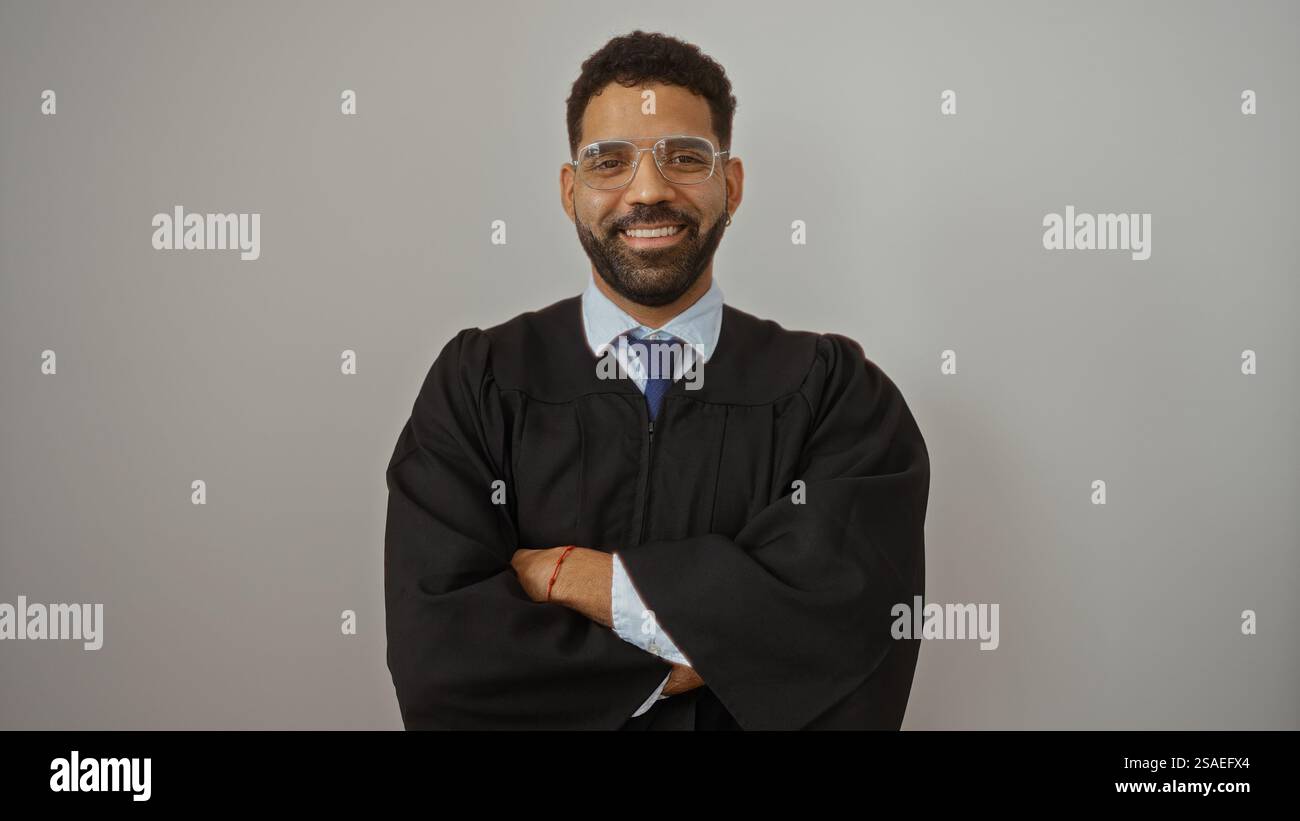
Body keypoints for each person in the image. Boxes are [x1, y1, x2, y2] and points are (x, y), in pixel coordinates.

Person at [383, 30, 930, 730]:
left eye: (684, 157)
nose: (648, 189)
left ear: (729, 185)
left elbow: (852, 625)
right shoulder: (477, 384)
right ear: (569, 190)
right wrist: (722, 647)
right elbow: (443, 661)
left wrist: (579, 579)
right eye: (609, 161)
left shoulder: (836, 395)